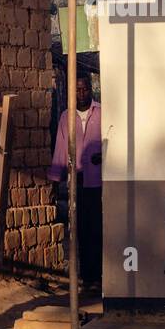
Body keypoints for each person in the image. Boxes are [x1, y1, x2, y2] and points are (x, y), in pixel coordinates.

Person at [49, 73, 102, 289]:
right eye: (77, 90)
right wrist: (55, 181)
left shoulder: (102, 113)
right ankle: (88, 277)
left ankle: (99, 276)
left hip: (99, 182)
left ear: (91, 89)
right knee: (81, 230)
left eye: (85, 89)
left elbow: (114, 141)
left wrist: (104, 156)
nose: (81, 94)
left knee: (98, 229)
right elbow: (61, 149)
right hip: (78, 182)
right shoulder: (65, 117)